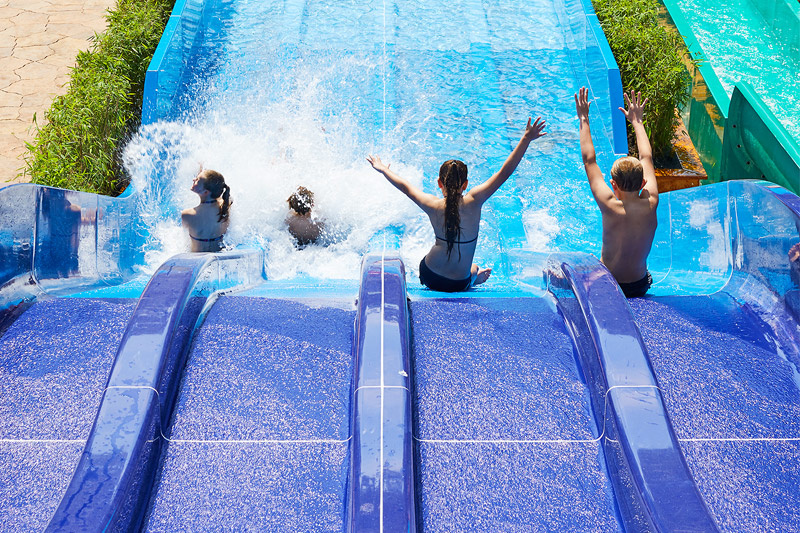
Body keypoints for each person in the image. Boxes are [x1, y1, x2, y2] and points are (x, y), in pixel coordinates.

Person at [367, 117, 547, 292]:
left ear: (439, 183)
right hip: (458, 283)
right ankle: (474, 277)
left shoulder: (432, 204)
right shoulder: (475, 200)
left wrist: (384, 169)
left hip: (429, 275)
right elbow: (505, 172)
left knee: (454, 261)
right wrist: (525, 138)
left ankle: (472, 275)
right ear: (465, 184)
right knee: (474, 268)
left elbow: (405, 187)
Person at [575, 86, 658, 297]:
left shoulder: (610, 205)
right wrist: (637, 122)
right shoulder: (651, 202)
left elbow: (589, 160)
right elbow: (646, 158)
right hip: (639, 285)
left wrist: (584, 118)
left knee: (574, 268)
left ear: (613, 184)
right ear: (643, 183)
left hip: (609, 285)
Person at [181, 168, 232, 252]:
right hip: (218, 257)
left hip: (196, 260)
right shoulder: (225, 207)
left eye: (197, 180)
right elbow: (213, 185)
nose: (194, 179)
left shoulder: (187, 214)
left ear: (206, 192)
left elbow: (185, 243)